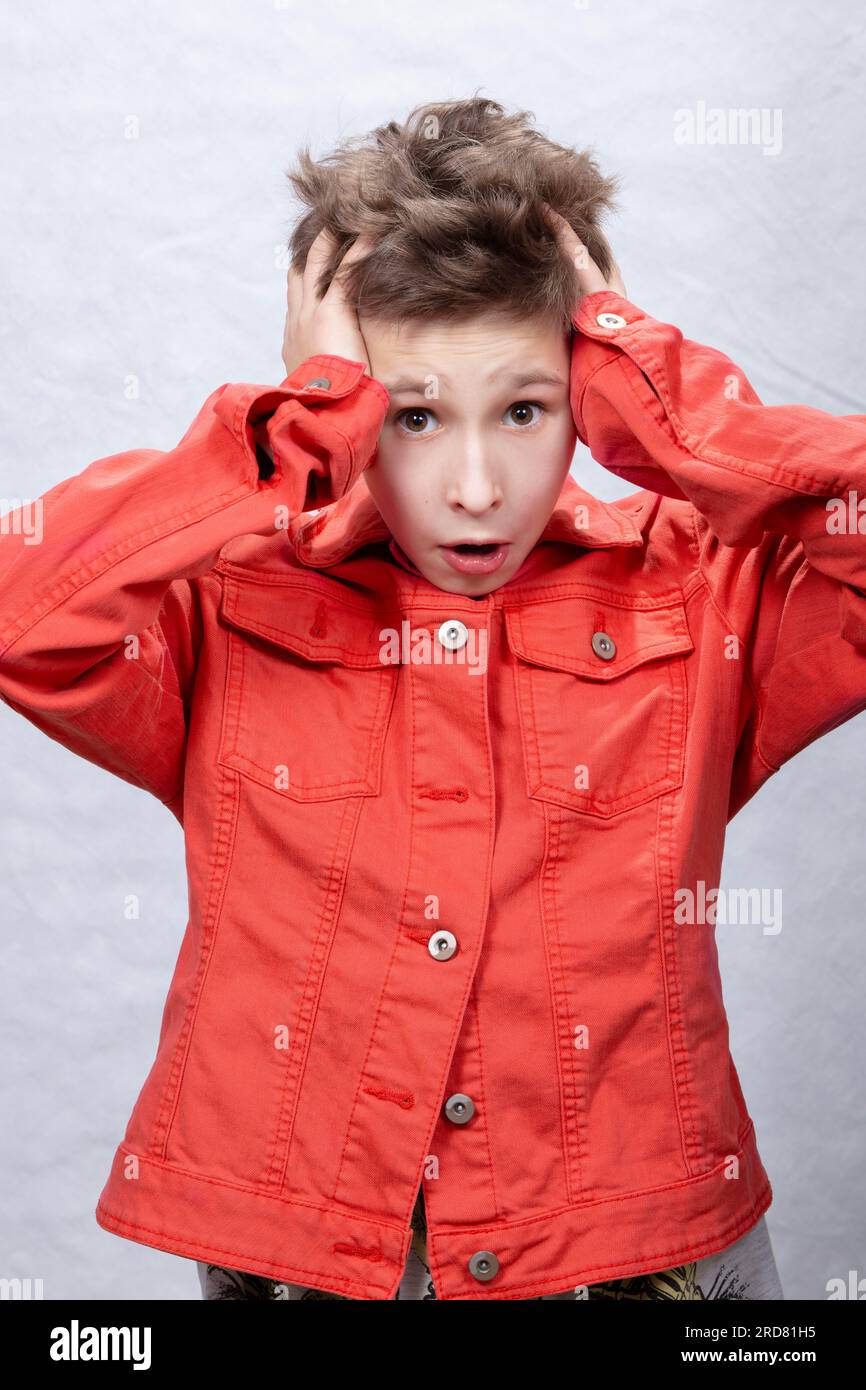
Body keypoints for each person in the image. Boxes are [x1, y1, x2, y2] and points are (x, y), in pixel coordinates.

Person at [3, 95, 861, 1301]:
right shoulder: (236, 594)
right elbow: (21, 617)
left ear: (587, 391)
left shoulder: (695, 589)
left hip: (647, 1259)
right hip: (315, 1269)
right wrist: (291, 426)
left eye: (524, 409)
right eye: (412, 415)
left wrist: (673, 419)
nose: (472, 485)